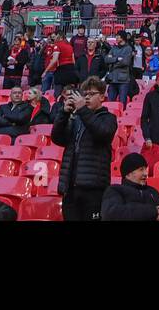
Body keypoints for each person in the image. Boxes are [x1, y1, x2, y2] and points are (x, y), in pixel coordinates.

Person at [52, 76, 116, 221]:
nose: (86, 97)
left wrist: (82, 110)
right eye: (85, 94)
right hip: (70, 186)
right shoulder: (77, 118)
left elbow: (102, 133)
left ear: (102, 97)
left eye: (91, 94)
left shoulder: (108, 118)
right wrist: (63, 113)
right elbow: (58, 138)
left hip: (93, 188)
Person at [101, 152, 159, 221]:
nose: (145, 174)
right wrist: (153, 212)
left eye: (145, 169)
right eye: (141, 169)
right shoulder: (115, 190)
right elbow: (110, 214)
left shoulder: (152, 191)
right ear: (128, 174)